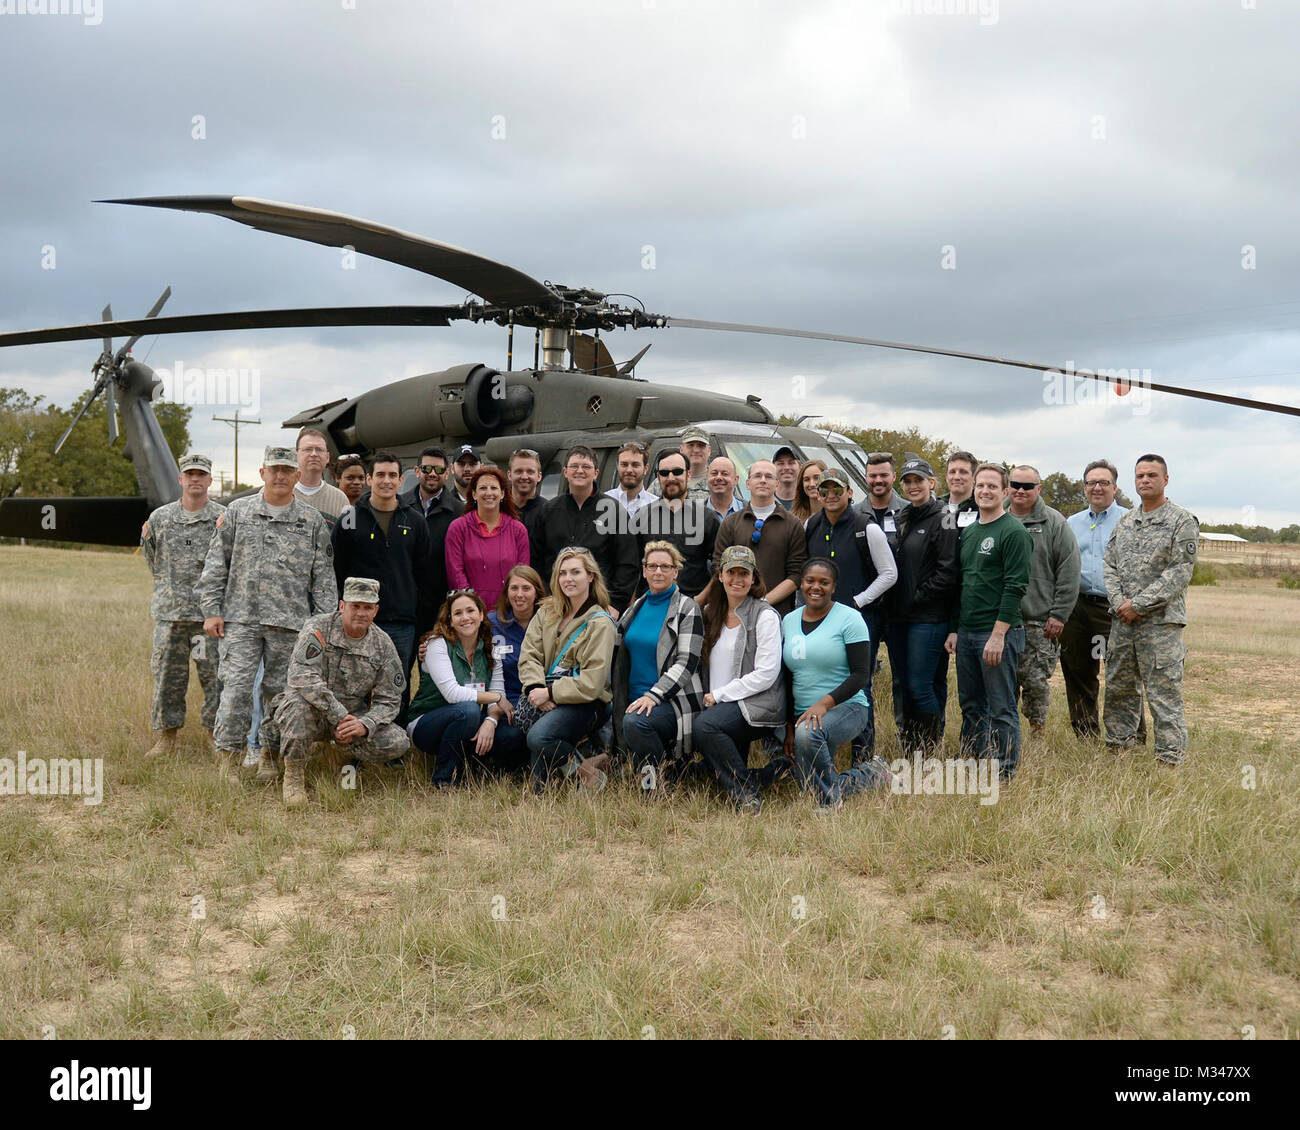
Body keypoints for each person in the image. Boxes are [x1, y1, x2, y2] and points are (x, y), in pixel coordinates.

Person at [198, 446, 337, 779]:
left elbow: (323, 579)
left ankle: (269, 757)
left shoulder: (311, 521)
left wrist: (324, 624)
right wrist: (211, 610)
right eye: (274, 469)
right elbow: (217, 564)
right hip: (240, 620)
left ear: (297, 476)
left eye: (287, 470)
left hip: (291, 624)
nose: (280, 476)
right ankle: (228, 761)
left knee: (279, 695)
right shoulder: (237, 512)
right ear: (262, 473)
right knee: (235, 691)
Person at [266, 577, 410, 809]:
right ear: (342, 606)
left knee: (397, 742)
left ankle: (341, 755)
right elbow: (302, 676)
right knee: (296, 707)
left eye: (367, 607)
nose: (361, 613)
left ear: (376, 611)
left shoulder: (383, 644)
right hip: (311, 706)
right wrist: (340, 715)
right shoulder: (318, 628)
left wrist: (365, 725)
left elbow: (390, 698)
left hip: (351, 716)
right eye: (355, 606)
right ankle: (293, 775)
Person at [1103, 455, 1199, 768]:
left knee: (1163, 696)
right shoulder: (1126, 521)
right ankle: (1119, 754)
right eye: (1140, 475)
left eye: (1152, 475)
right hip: (1122, 624)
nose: (1145, 480)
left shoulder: (1182, 520)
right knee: (1118, 690)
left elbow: (1180, 571)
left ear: (1166, 479)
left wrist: (1138, 604)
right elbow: (1109, 564)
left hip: (1161, 626)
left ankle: (1168, 764)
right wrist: (1120, 603)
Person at [330, 452, 433, 724]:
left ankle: (393, 742)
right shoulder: (349, 518)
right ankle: (355, 743)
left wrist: (423, 623)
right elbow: (337, 570)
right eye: (379, 475)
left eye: (392, 475)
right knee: (356, 686)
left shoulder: (415, 521)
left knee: (396, 686)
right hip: (359, 620)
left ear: (401, 480)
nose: (386, 481)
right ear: (368, 479)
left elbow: (424, 576)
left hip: (401, 620)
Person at [802, 469, 897, 761]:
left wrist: (858, 601)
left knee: (859, 684)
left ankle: (864, 758)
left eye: (837, 490)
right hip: (819, 621)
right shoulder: (811, 524)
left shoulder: (865, 527)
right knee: (825, 682)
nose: (831, 496)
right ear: (817, 494)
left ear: (849, 492)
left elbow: (889, 573)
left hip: (857, 621)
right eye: (824, 490)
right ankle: (822, 749)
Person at [944, 463, 1032, 779]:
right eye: (980, 485)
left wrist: (998, 635)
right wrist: (955, 628)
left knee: (1001, 707)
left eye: (992, 486)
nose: (985, 491)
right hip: (967, 632)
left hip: (997, 634)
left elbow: (1015, 586)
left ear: (1005, 491)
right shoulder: (969, 533)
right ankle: (973, 760)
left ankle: (1004, 771)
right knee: (970, 704)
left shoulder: (1013, 532)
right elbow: (962, 584)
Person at [782, 559, 890, 810]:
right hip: (803, 714)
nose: (815, 587)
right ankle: (872, 774)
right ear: (801, 584)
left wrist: (824, 703)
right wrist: (789, 724)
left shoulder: (850, 619)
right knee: (807, 785)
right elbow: (787, 677)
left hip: (847, 708)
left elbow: (862, 674)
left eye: (824, 582)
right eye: (810, 581)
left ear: (833, 587)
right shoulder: (789, 620)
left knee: (809, 734)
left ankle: (831, 802)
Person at [140, 452, 225, 757]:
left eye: (201, 474)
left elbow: (230, 563)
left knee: (215, 678)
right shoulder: (160, 519)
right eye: (190, 474)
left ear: (210, 480)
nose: (195, 479)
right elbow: (151, 557)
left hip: (208, 621)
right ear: (181, 479)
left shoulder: (222, 519)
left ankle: (216, 735)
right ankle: (167, 736)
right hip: (171, 617)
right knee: (168, 678)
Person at [692, 546, 786, 814]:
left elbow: (767, 673)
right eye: (731, 572)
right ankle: (775, 773)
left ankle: (746, 795)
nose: (737, 579)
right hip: (721, 705)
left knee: (705, 727)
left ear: (754, 578)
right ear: (720, 575)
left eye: (744, 573)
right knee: (712, 770)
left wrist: (720, 695)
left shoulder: (764, 615)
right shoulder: (712, 612)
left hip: (755, 704)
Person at [517, 547, 617, 792]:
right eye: (562, 573)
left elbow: (592, 682)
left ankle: (587, 774)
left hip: (587, 703)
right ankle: (555, 782)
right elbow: (529, 655)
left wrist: (550, 693)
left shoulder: (600, 623)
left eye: (576, 572)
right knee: (539, 791)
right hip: (544, 694)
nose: (568, 579)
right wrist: (536, 687)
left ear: (590, 576)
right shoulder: (546, 612)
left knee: (539, 737)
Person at [611, 541, 706, 792]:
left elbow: (686, 663)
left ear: (676, 571)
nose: (658, 572)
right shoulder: (635, 608)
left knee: (635, 723)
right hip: (633, 698)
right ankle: (664, 771)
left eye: (665, 566)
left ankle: (652, 787)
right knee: (628, 721)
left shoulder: (688, 608)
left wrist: (654, 695)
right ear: (643, 571)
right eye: (652, 566)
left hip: (671, 701)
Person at [1061, 459, 1144, 742]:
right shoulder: (1072, 523)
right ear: (1084, 488)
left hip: (1114, 610)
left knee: (1121, 676)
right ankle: (1086, 737)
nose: (1097, 487)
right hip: (1076, 607)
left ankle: (1132, 736)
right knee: (1078, 673)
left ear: (1115, 487)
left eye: (1103, 482)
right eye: (1091, 482)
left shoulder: (1130, 520)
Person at [409, 588, 525, 787]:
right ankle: (444, 779)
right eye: (458, 613)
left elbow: (499, 692)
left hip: (467, 720)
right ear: (450, 620)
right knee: (468, 710)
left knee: (511, 734)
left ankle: (473, 767)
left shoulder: (491, 649)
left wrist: (490, 720)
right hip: (426, 724)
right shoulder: (436, 644)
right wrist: (495, 699)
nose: (465, 618)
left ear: (481, 614)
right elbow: (453, 694)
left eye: (470, 611)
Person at [889, 455, 960, 753]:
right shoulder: (903, 516)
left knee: (921, 686)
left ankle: (929, 747)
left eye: (919, 480)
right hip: (900, 618)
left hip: (928, 618)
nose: (913, 485)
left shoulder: (944, 517)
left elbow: (948, 571)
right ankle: (911, 744)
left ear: (932, 483)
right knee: (904, 685)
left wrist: (917, 598)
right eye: (908, 481)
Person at [1006, 465, 1080, 736]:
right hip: (1001, 619)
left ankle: (1037, 731)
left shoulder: (1055, 523)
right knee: (1004, 683)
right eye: (1015, 484)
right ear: (1007, 486)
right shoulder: (996, 516)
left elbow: (1069, 572)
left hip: (1038, 621)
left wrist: (1059, 614)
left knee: (1035, 682)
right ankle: (1006, 733)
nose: (1020, 490)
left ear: (1039, 489)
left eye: (1028, 486)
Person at [531, 444, 638, 612]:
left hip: (600, 607)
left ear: (596, 473)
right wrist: (545, 598)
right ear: (565, 472)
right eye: (574, 466)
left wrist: (615, 604)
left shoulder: (613, 510)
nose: (580, 471)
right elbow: (536, 560)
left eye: (586, 467)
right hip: (555, 605)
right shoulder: (548, 511)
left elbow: (628, 562)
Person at [710, 459, 807, 615]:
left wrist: (764, 602)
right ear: (747, 483)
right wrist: (740, 599)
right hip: (734, 611)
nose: (763, 480)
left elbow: (796, 574)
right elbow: (718, 566)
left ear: (777, 484)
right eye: (757, 476)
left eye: (769, 476)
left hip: (776, 613)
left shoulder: (792, 524)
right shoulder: (731, 522)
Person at [632, 450, 719, 598]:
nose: (671, 478)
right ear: (658, 477)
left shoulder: (707, 518)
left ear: (688, 474)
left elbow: (720, 566)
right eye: (664, 473)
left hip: (693, 606)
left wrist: (701, 600)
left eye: (677, 472)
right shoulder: (642, 517)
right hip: (651, 603)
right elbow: (631, 567)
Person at [445, 466, 531, 611]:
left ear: (502, 493)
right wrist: (473, 608)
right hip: (472, 614)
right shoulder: (458, 528)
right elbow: (456, 574)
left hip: (508, 612)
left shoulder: (518, 530)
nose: (489, 493)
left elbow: (522, 575)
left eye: (494, 488)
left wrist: (509, 608)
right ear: (474, 494)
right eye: (483, 488)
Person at [398, 445, 461, 630]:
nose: (432, 473)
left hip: (440, 606)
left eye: (439, 469)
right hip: (404, 604)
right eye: (426, 469)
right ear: (417, 471)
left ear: (447, 473)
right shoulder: (400, 506)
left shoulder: (459, 512)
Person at [488, 564, 547, 705]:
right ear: (507, 593)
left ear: (537, 592)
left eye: (526, 588)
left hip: (542, 699)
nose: (519, 594)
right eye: (514, 588)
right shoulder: (490, 623)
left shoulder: (550, 623)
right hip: (504, 702)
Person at [292, 428, 350, 527]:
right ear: (296, 455)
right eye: (308, 449)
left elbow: (351, 537)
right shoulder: (277, 493)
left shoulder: (342, 499)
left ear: (327, 457)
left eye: (319, 450)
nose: (314, 454)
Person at [604, 441, 657, 516]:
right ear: (617, 467)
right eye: (624, 465)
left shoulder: (657, 506)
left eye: (635, 465)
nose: (629, 470)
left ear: (646, 469)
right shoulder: (603, 502)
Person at [508, 447, 546, 541]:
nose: (524, 476)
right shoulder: (497, 510)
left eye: (530, 472)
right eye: (519, 471)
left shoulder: (548, 512)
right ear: (509, 475)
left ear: (539, 476)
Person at [940, 450, 979, 529]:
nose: (956, 477)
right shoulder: (936, 507)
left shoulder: (983, 508)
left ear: (974, 478)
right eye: (952, 472)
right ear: (946, 477)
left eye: (963, 472)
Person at [705, 455, 742, 521]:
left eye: (725, 474)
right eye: (714, 473)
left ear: (736, 479)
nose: (718, 477)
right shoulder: (694, 514)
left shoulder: (750, 512)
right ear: (707, 478)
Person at [792, 458, 828, 523]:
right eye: (807, 479)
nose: (812, 484)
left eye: (817, 478)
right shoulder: (793, 518)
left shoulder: (836, 516)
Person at [773, 445, 801, 511]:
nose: (786, 468)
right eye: (781, 463)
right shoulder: (765, 502)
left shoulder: (809, 502)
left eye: (791, 463)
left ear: (800, 467)